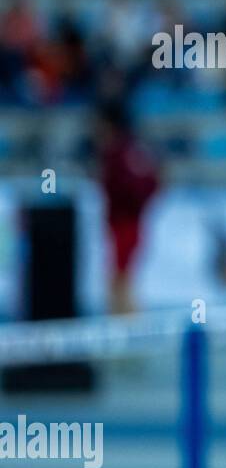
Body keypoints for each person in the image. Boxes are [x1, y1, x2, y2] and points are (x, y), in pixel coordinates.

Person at [94, 100, 160, 314]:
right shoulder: (125, 150)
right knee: (119, 278)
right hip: (123, 224)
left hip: (126, 224)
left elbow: (148, 183)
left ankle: (128, 328)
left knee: (121, 280)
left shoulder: (120, 152)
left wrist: (133, 208)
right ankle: (123, 326)